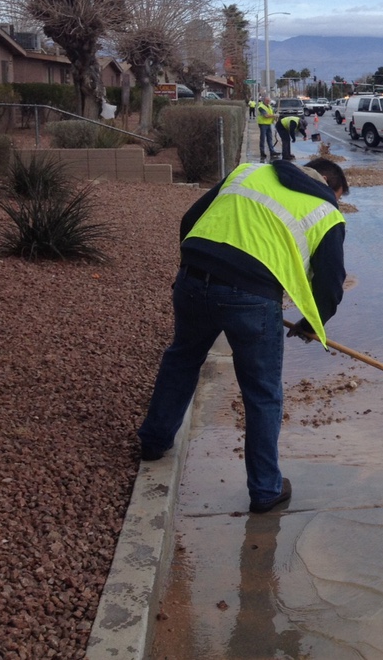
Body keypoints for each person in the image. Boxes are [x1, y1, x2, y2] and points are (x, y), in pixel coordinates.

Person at [137, 157, 350, 514]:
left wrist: (190, 270)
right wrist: (313, 324)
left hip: (194, 276)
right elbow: (330, 284)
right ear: (326, 182)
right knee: (262, 393)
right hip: (251, 299)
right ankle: (266, 490)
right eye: (337, 195)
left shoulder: (248, 172)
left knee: (182, 359)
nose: (336, 202)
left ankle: (154, 441)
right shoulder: (325, 211)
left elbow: (191, 220)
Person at [255, 95, 276, 161]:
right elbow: (266, 115)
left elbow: (271, 114)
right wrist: (274, 115)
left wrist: (274, 118)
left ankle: (272, 151)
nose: (268, 102)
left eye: (269, 101)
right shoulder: (261, 107)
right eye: (267, 101)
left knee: (270, 138)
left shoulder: (269, 106)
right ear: (264, 100)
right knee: (262, 139)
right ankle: (262, 152)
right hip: (263, 124)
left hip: (268, 124)